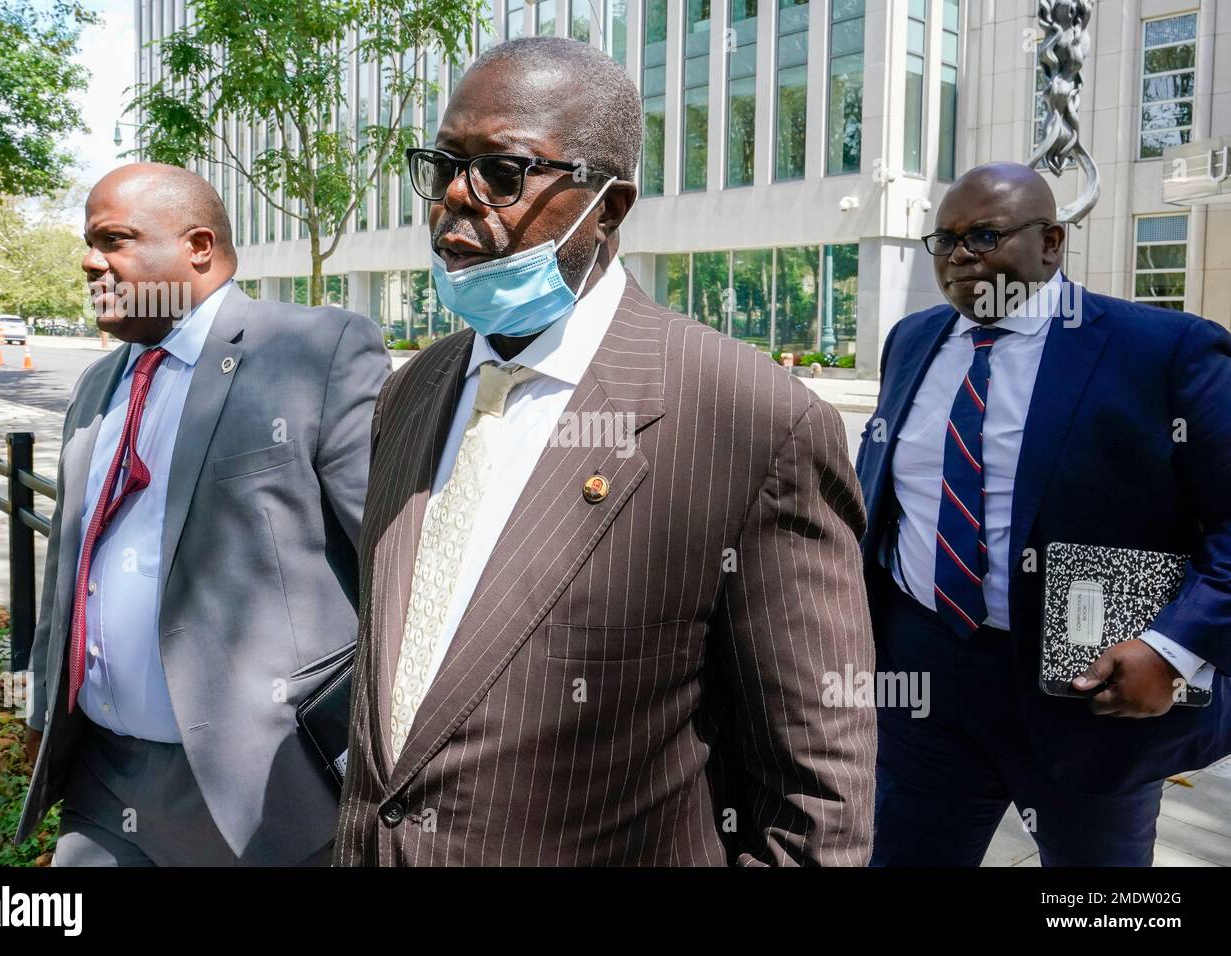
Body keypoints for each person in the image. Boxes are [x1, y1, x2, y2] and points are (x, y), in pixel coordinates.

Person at [332, 37, 875, 867]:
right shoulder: (412, 392)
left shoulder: (753, 420)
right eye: (443, 162)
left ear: (609, 207)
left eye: (502, 173)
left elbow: (818, 795)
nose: (452, 196)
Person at [14, 162, 390, 865]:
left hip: (268, 795)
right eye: (89, 241)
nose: (90, 260)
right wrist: (42, 706)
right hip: (102, 781)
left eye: (114, 239)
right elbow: (68, 567)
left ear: (198, 247)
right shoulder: (98, 383)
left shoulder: (315, 351)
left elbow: (393, 564)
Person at [857, 162, 1231, 866]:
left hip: (1087, 691)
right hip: (924, 681)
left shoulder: (1163, 351)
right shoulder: (912, 341)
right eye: (943, 240)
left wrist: (1172, 650)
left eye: (985, 236)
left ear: (1053, 242)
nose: (959, 258)